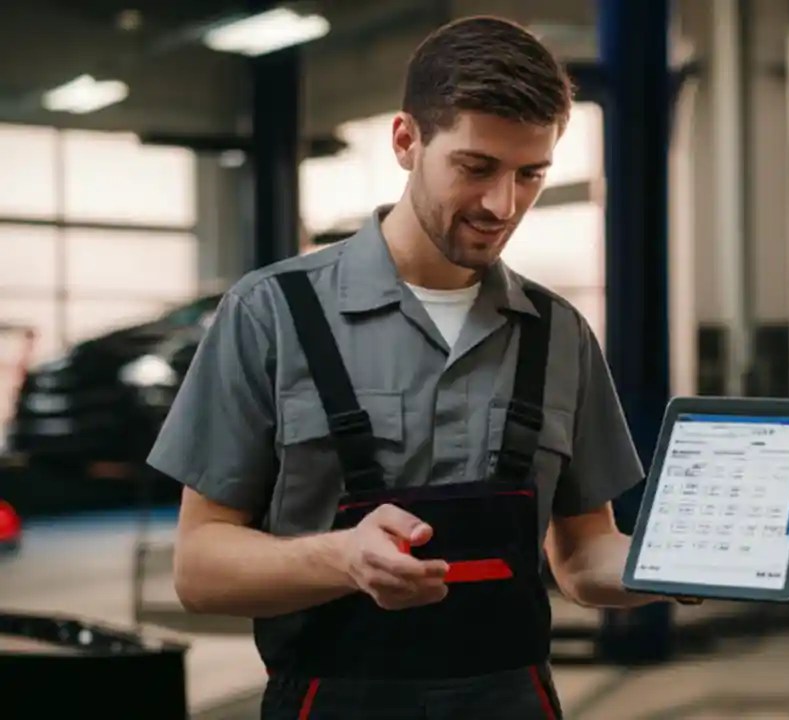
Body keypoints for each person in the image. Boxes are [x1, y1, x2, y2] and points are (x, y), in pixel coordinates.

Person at [148, 16, 675, 720]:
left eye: (531, 175)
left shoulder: (560, 336)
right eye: (476, 167)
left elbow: (582, 559)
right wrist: (342, 559)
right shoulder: (271, 315)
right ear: (407, 141)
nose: (503, 205)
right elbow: (199, 569)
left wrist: (687, 563)